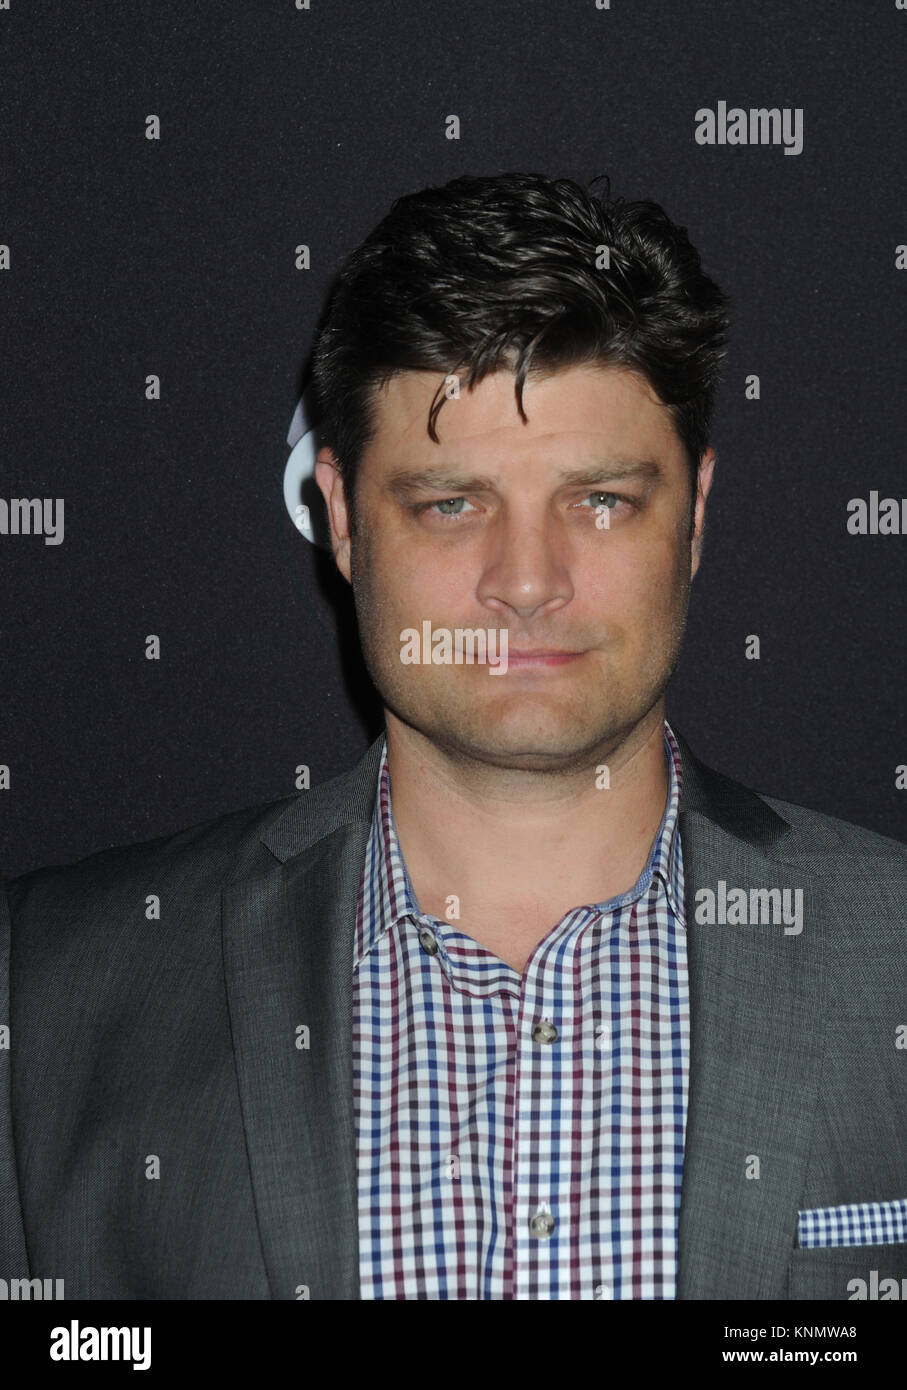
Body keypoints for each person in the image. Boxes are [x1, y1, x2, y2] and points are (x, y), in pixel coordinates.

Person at [2, 173, 905, 1301]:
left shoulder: (891, 951)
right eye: (450, 504)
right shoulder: (49, 996)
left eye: (601, 501)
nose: (527, 582)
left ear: (697, 514)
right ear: (337, 516)